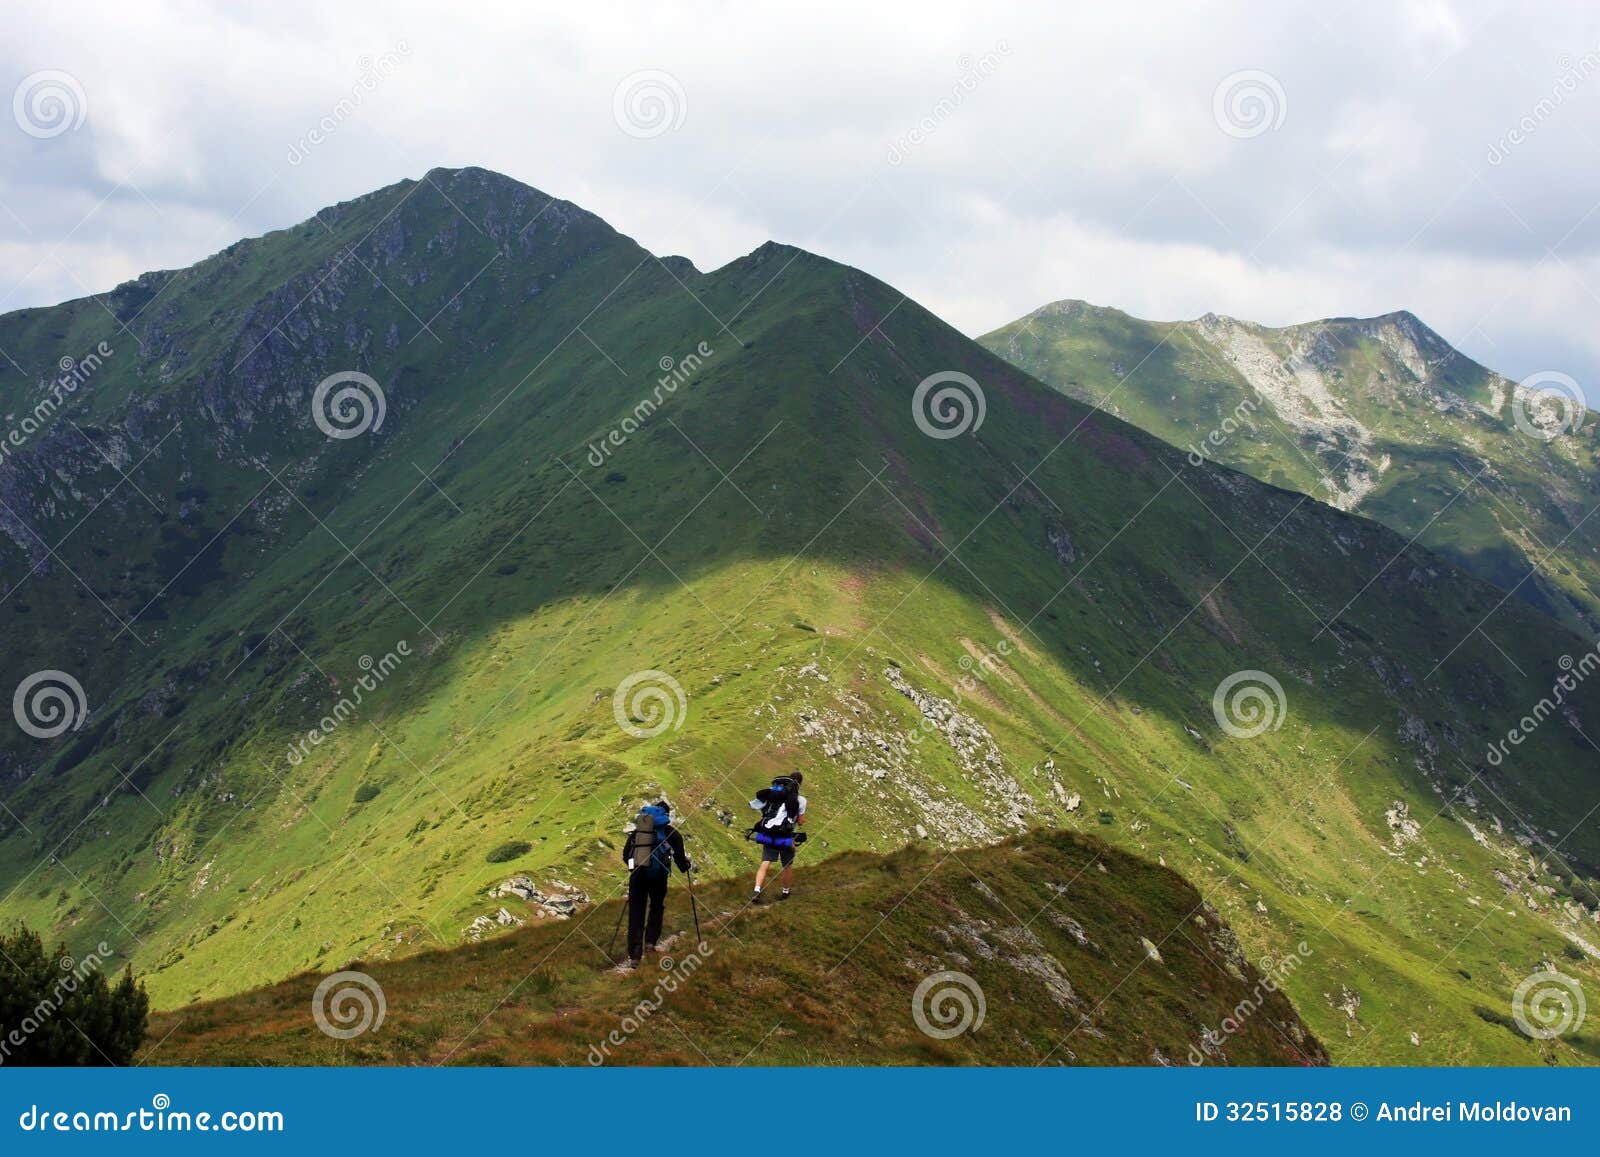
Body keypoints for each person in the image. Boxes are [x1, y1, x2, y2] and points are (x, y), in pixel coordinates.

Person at [620, 800, 692, 968]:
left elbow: (625, 856)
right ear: (665, 816)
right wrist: (685, 865)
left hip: (637, 876)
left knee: (636, 912)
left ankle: (635, 957)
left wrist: (635, 868)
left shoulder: (638, 832)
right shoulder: (671, 833)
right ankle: (650, 943)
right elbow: (681, 863)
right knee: (656, 907)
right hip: (659, 878)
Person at [749, 772, 806, 904]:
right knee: (787, 866)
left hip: (769, 833)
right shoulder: (801, 800)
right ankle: (785, 892)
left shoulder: (774, 795)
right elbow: (801, 821)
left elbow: (755, 805)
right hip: (785, 836)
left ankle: (756, 890)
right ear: (799, 784)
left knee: (765, 863)